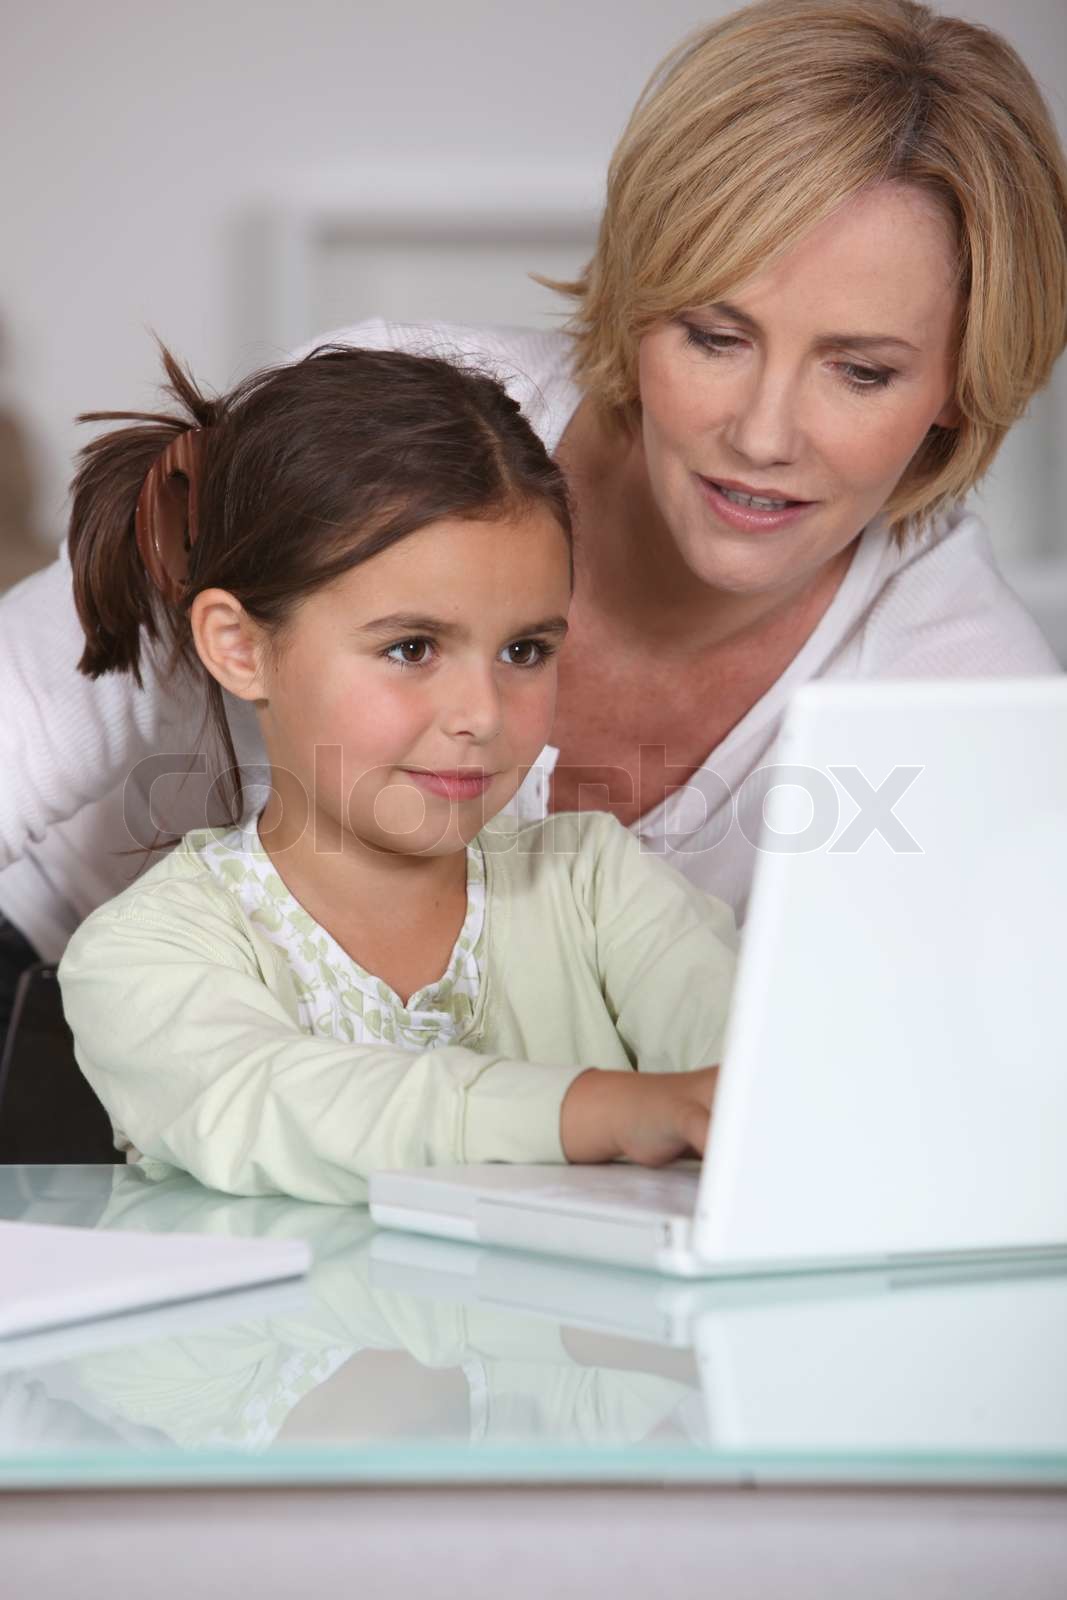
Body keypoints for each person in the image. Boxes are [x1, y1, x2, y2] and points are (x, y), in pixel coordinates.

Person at [2, 0, 1066, 1041]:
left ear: (959, 386)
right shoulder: (387, 423)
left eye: (860, 370)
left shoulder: (967, 694)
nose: (762, 432)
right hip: (56, 1038)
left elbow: (904, 1092)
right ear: (640, 297)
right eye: (713, 335)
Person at [57, 343, 737, 1200]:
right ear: (241, 647)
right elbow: (284, 1107)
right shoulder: (143, 954)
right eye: (411, 648)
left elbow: (767, 1082)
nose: (482, 714)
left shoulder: (598, 887)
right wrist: (604, 1109)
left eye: (525, 650)